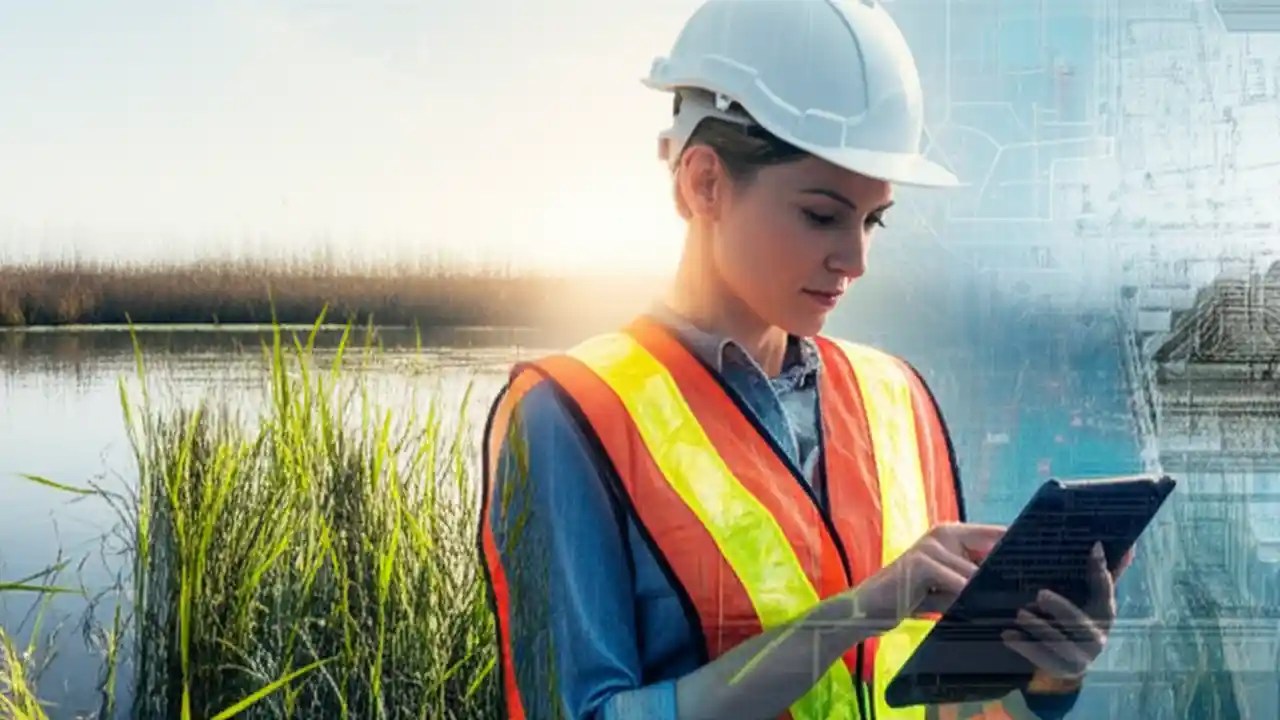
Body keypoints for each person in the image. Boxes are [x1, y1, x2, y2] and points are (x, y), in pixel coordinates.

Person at [478, 1, 1131, 719]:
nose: (855, 260)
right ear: (704, 184)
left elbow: (951, 699)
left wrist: (1048, 676)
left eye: (873, 219)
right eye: (822, 214)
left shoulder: (898, 398)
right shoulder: (571, 414)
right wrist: (857, 612)